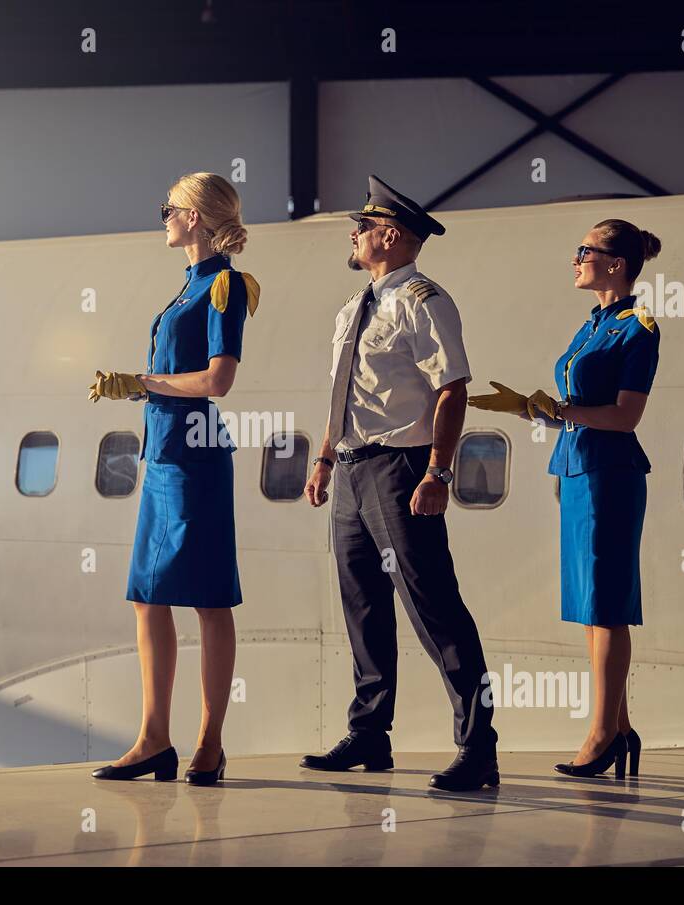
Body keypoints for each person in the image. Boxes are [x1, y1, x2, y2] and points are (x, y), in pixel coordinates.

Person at [302, 174, 499, 792]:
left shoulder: (422, 299)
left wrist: (440, 469)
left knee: (433, 605)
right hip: (354, 470)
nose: (354, 237)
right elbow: (347, 395)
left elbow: (452, 388)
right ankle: (369, 733)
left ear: (389, 235)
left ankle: (478, 745)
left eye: (362, 228)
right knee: (362, 605)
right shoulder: (352, 308)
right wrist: (327, 457)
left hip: (401, 470)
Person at [468, 218, 662, 779]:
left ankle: (601, 733)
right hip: (577, 469)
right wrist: (532, 409)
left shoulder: (638, 327)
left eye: (585, 250)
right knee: (590, 606)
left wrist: (560, 411)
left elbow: (626, 417)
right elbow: (579, 406)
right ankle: (619, 727)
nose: (575, 259)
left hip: (610, 473)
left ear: (617, 264)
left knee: (607, 607)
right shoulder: (594, 324)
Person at [86, 172, 259, 787]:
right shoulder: (188, 287)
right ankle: (154, 739)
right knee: (147, 596)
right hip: (164, 456)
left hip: (195, 459)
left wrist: (143, 383)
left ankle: (208, 742)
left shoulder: (223, 287)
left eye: (171, 208)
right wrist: (134, 383)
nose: (163, 216)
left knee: (209, 600)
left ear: (196, 218)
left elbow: (218, 381)